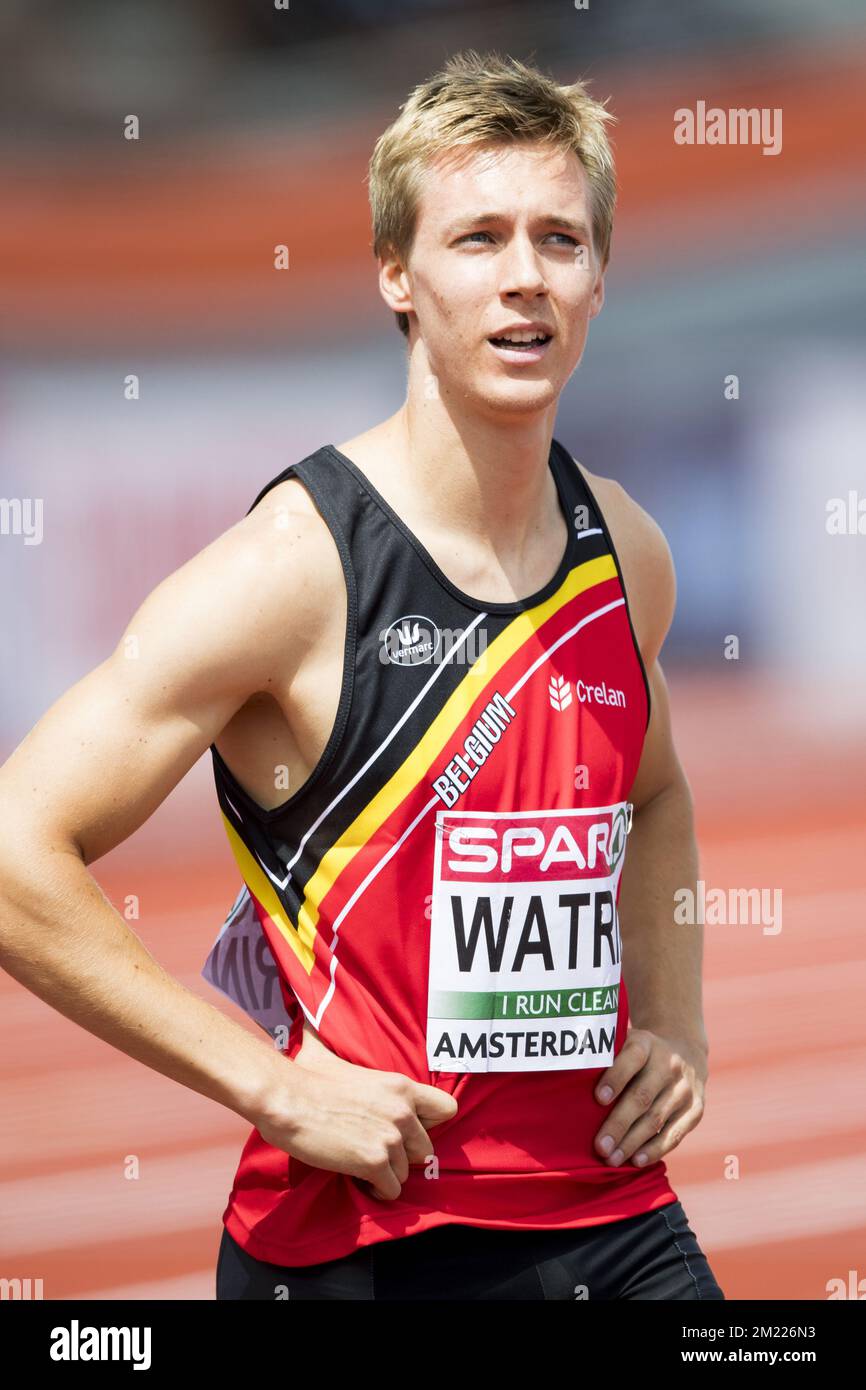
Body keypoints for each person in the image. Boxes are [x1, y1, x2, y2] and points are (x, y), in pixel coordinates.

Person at [0, 50, 724, 1300]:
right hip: (365, 1248)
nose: (521, 279)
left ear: (598, 276)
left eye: (558, 239)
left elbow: (652, 793)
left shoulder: (623, 550)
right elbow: (16, 848)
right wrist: (270, 1084)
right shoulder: (292, 569)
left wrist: (674, 1013)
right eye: (477, 238)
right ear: (395, 272)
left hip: (612, 1221)